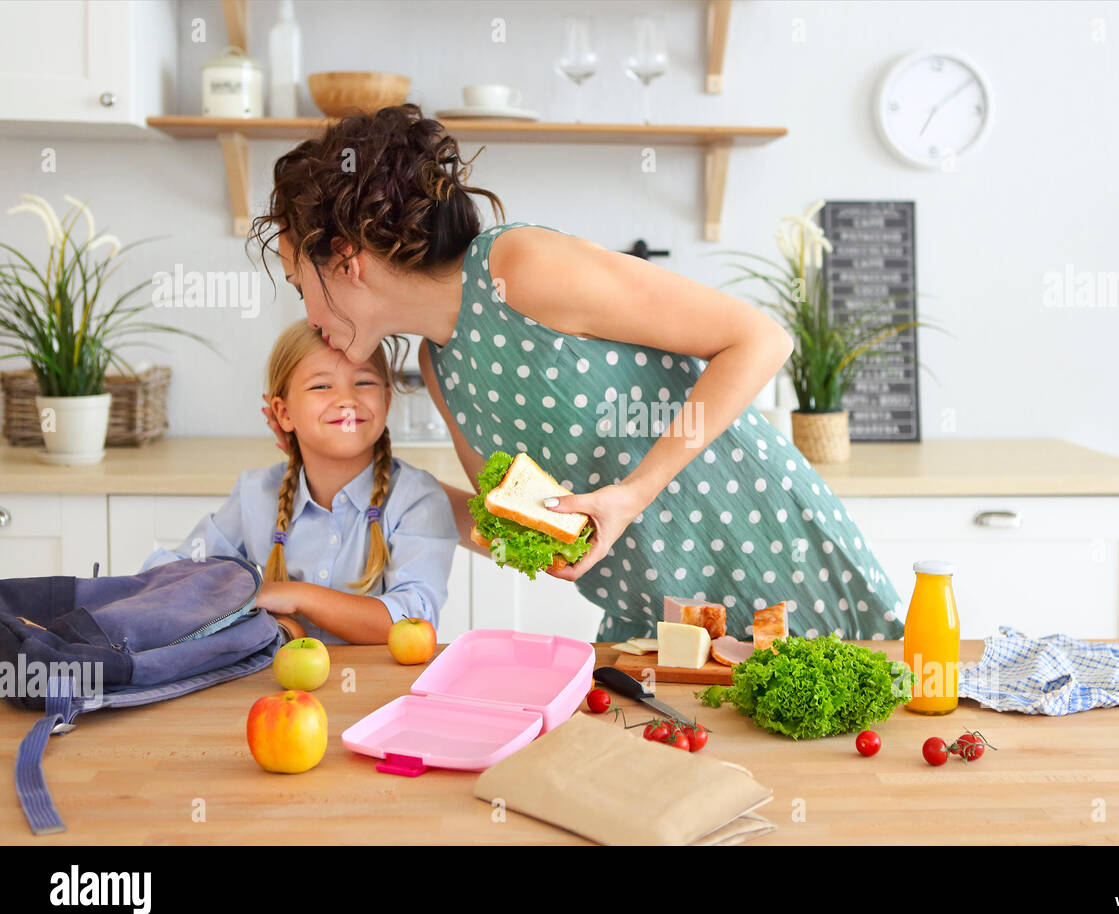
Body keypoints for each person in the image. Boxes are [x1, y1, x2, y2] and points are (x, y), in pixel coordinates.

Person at [251, 103, 908, 643]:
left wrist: (636, 491)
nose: (306, 312)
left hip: (764, 548)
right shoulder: (440, 365)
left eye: (297, 280)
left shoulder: (518, 267)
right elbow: (511, 526)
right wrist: (359, 479)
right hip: (656, 615)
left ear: (347, 258)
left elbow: (758, 339)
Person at [142, 319, 458, 644]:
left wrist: (295, 596)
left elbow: (412, 623)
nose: (346, 400)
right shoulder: (256, 492)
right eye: (322, 386)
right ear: (284, 413)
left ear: (387, 401)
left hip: (380, 693)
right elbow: (173, 573)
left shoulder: (418, 498)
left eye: (364, 382)